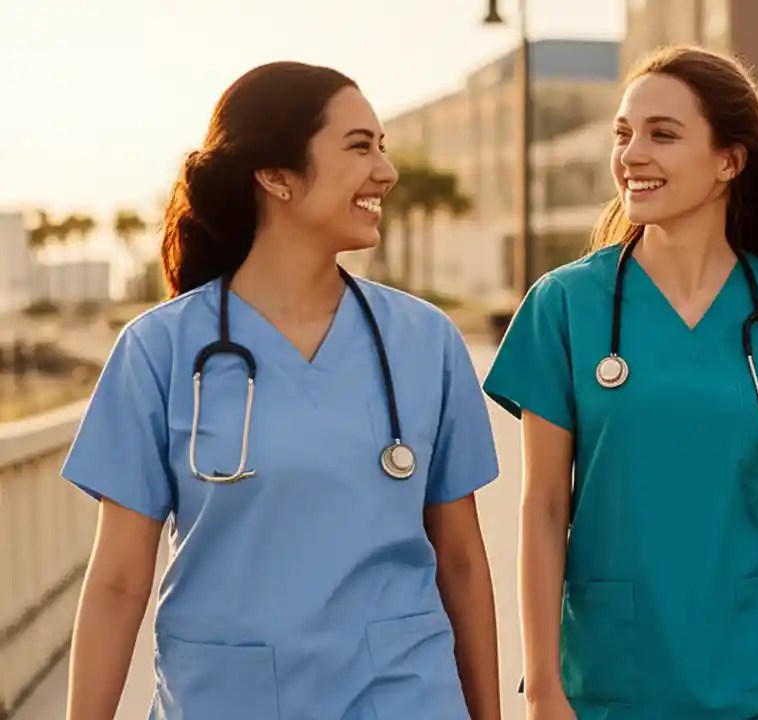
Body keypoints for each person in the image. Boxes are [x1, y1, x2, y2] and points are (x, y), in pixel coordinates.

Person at [60, 61, 502, 719]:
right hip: (226, 697)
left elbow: (462, 561)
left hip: (401, 697)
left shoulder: (424, 341)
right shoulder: (160, 351)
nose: (386, 171)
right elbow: (120, 581)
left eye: (382, 146)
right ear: (275, 176)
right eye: (360, 146)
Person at [482, 45, 758, 720]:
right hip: (608, 679)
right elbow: (542, 507)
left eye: (663, 134)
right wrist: (541, 687)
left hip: (753, 679)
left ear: (729, 162)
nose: (631, 155)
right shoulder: (565, 305)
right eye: (623, 134)